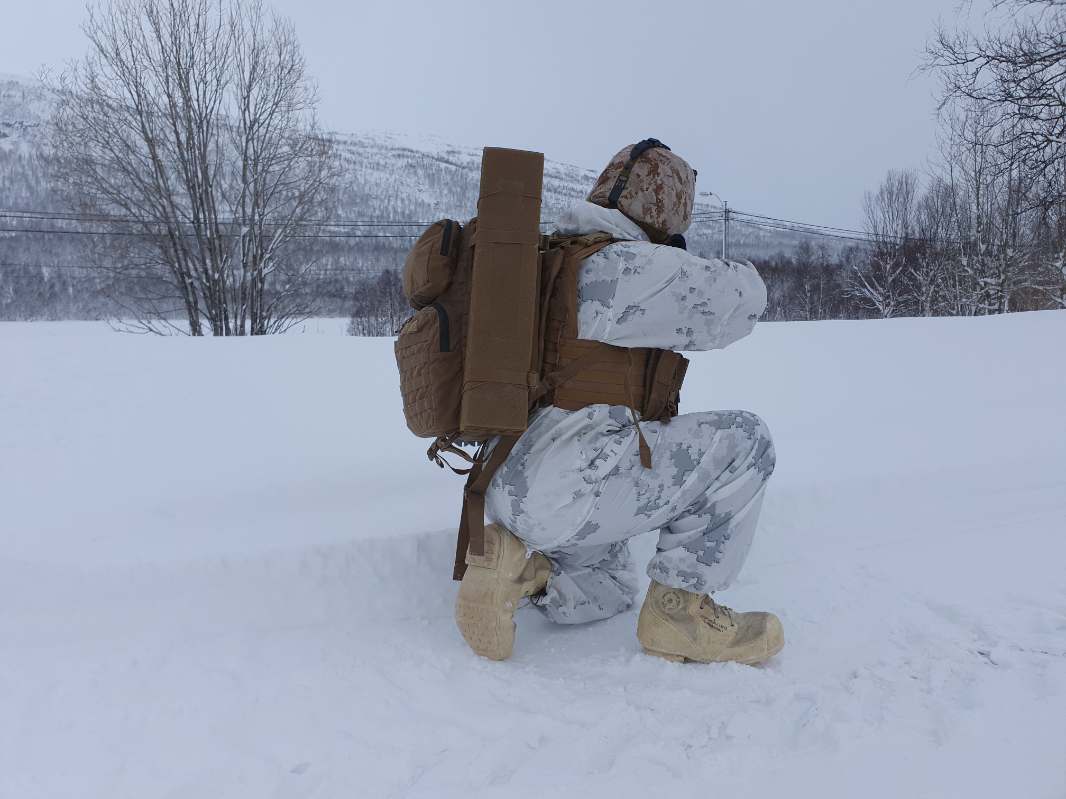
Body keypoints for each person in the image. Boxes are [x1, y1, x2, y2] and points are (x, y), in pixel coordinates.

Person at [455, 141, 782, 665]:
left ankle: (523, 568)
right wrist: (682, 257)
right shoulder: (627, 270)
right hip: (567, 485)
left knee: (609, 585)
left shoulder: (547, 260)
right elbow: (739, 304)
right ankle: (681, 613)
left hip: (506, 481)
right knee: (746, 440)